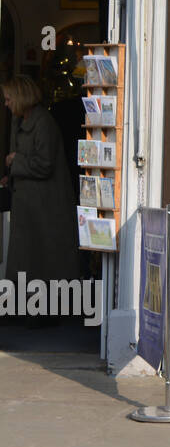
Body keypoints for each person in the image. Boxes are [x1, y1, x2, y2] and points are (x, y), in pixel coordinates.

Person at [2, 75, 80, 298]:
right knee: (27, 258)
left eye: (8, 99)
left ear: (20, 98)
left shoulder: (43, 122)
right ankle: (24, 308)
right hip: (30, 205)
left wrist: (16, 161)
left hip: (44, 207)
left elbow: (45, 164)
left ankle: (40, 310)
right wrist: (12, 175)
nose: (6, 104)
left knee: (41, 259)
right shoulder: (21, 121)